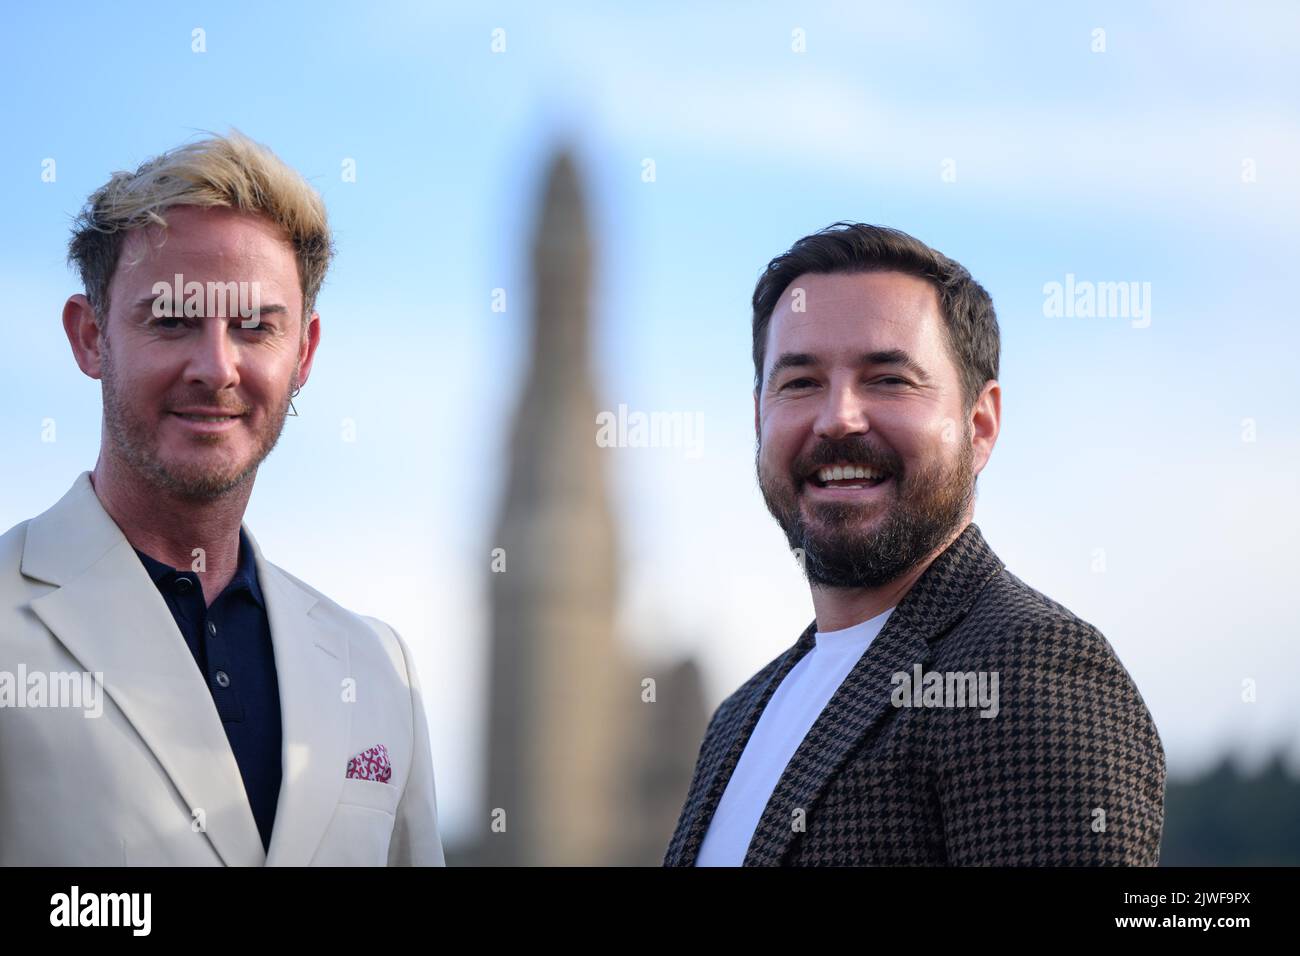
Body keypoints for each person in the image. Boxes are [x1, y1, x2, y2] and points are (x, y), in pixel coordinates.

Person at [0, 130, 444, 865]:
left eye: (254, 327)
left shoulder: (379, 669)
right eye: (171, 319)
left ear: (302, 352)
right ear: (90, 338)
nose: (217, 367)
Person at [665, 223, 1165, 866]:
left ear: (979, 426)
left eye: (888, 379)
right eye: (800, 382)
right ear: (759, 417)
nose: (839, 417)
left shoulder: (1029, 669)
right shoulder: (738, 718)